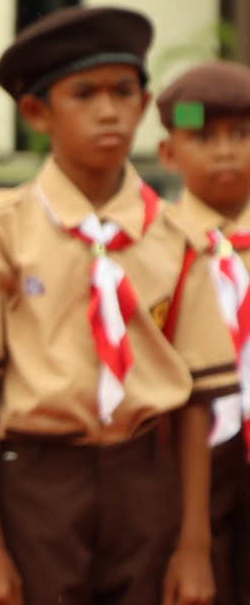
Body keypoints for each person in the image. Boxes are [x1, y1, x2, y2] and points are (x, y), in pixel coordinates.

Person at [0, 6, 237, 605]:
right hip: (37, 478)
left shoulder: (177, 241)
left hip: (147, 472)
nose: (108, 111)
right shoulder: (0, 229)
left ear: (145, 104)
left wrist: (194, 545)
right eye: (84, 94)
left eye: (124, 92)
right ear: (37, 113)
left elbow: (199, 394)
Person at [155, 61, 250, 605]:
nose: (224, 150)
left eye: (241, 133)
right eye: (203, 136)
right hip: (187, 450)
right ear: (168, 154)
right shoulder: (155, 244)